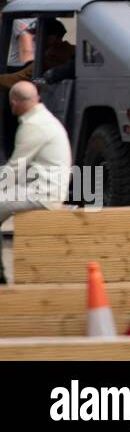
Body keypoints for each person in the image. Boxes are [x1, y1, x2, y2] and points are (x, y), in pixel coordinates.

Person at [0, 82, 72, 283]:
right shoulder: (44, 119)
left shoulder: (33, 126)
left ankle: (0, 276)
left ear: (15, 103)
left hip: (44, 194)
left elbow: (15, 168)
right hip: (45, 187)